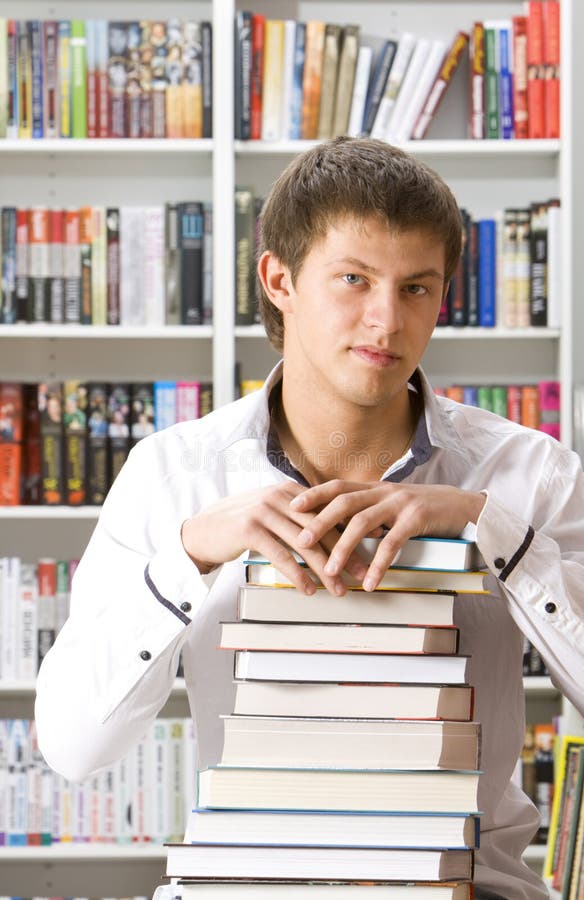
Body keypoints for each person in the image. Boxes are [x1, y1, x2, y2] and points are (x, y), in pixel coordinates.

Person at [35, 137, 584, 899]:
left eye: (417, 288)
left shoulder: (530, 475)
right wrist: (189, 555)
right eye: (353, 280)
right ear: (279, 279)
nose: (386, 321)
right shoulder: (172, 474)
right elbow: (71, 750)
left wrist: (492, 531)